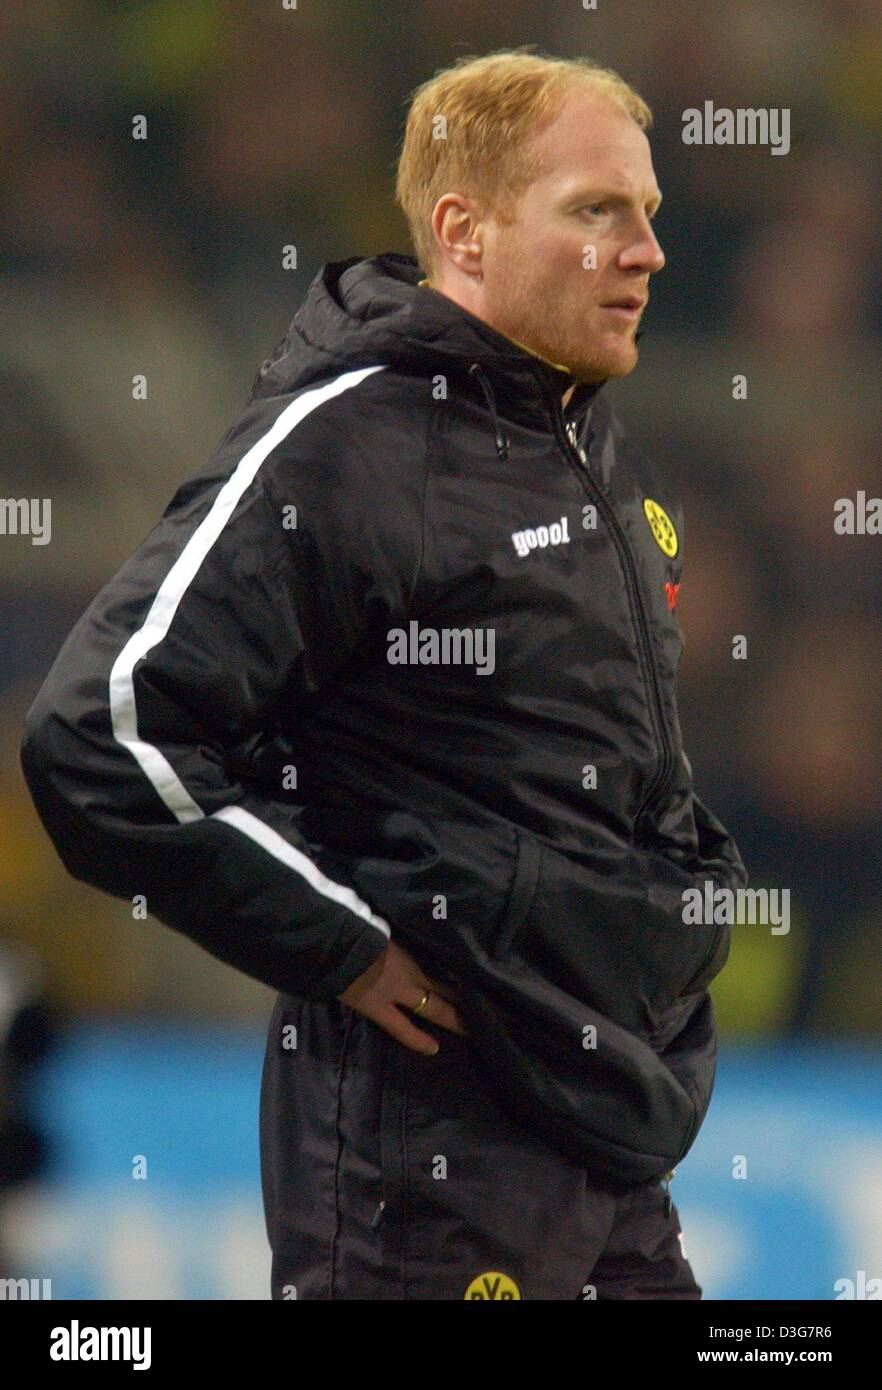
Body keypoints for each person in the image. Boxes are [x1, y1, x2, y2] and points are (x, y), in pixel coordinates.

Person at [20, 49, 748, 1299]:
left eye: (648, 211)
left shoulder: (582, 438)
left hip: (602, 1132)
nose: (647, 251)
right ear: (464, 231)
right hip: (423, 1158)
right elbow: (103, 733)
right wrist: (343, 946)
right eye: (596, 209)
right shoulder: (345, 444)